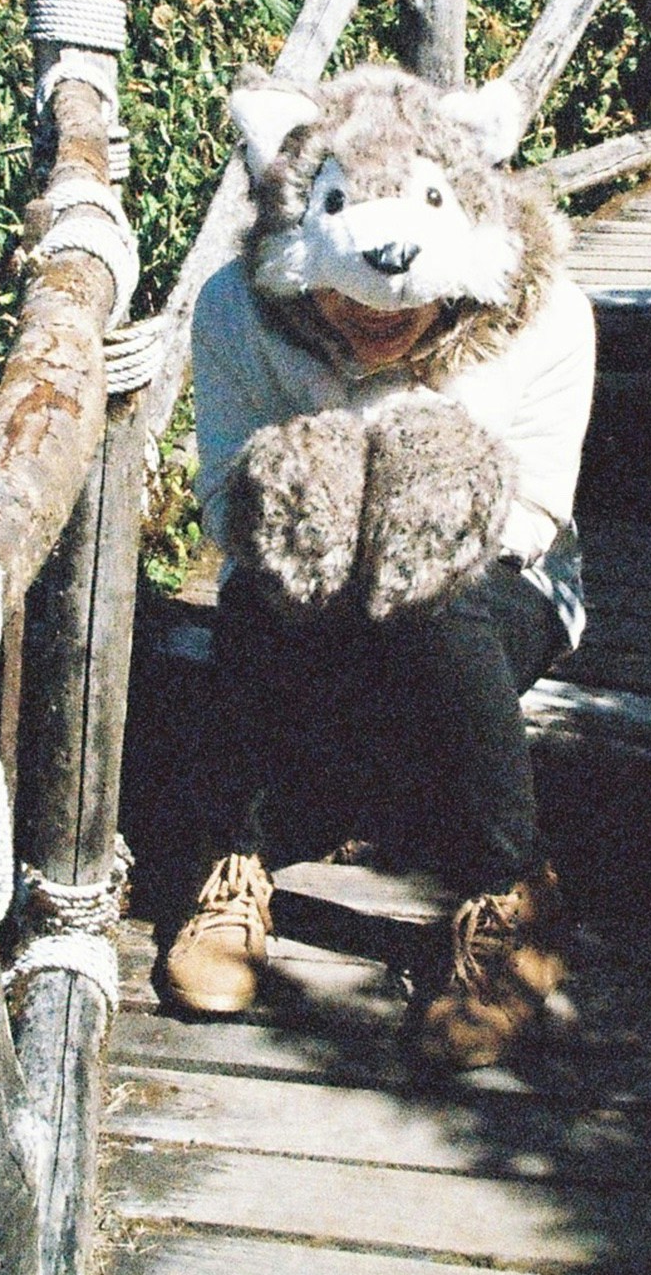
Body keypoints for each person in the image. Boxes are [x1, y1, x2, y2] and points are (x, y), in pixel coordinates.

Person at [162, 65, 595, 1070]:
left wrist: (414, 524)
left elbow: (538, 510)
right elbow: (225, 489)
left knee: (435, 606)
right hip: (311, 575)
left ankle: (510, 894)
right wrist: (306, 514)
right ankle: (237, 854)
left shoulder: (548, 315)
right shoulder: (238, 307)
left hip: (497, 583)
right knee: (253, 597)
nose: (372, 315)